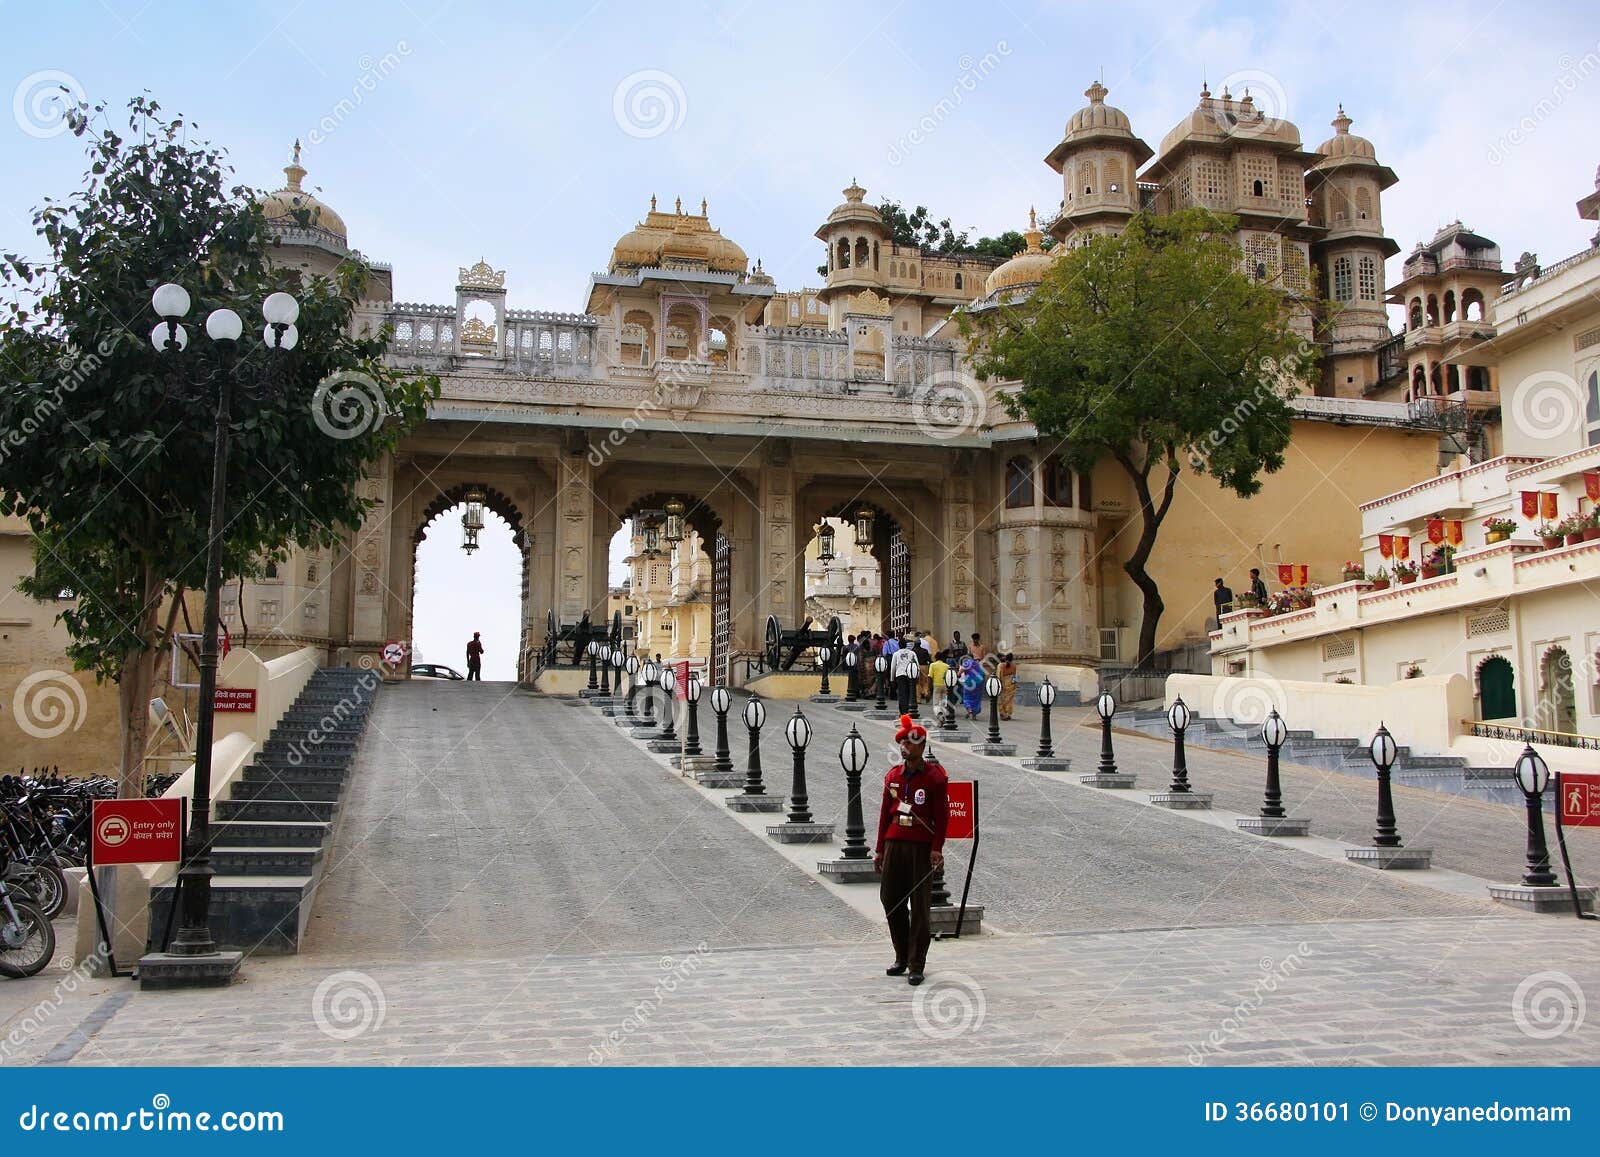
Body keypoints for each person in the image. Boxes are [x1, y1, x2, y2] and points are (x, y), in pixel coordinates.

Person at [874, 714, 949, 986]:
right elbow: (884, 814)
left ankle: (917, 963)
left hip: (920, 846)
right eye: (902, 743)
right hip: (895, 841)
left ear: (922, 746)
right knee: (889, 898)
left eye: (910, 743)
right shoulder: (893, 776)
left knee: (919, 907)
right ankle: (901, 955)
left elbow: (942, 817)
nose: (905, 747)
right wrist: (880, 849)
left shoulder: (935, 778)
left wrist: (937, 848)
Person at [891, 638, 920, 714]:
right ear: (906, 645)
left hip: (900, 675)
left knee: (902, 693)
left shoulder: (896, 654)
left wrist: (892, 679)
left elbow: (893, 667)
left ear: (899, 646)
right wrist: (917, 675)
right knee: (910, 692)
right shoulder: (912, 653)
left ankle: (903, 711)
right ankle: (909, 708)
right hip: (910, 674)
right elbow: (917, 665)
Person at [958, 656, 984, 720]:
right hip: (979, 683)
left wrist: (957, 675)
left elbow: (959, 673)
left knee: (967, 697)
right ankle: (974, 716)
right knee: (977, 699)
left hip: (970, 683)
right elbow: (983, 674)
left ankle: (969, 709)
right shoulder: (977, 664)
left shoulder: (967, 663)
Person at [997, 652, 1018, 721]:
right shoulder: (1014, 665)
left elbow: (999, 676)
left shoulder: (1001, 665)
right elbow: (1014, 676)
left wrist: (998, 685)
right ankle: (1008, 714)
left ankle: (1003, 714)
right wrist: (1015, 685)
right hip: (1011, 684)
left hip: (1003, 684)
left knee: (1002, 700)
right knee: (1009, 701)